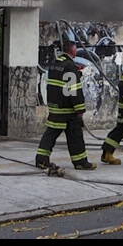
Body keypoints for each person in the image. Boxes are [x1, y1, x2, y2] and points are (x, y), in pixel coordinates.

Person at [36, 40, 97, 173]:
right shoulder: (70, 66)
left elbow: (61, 81)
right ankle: (80, 162)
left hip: (55, 106)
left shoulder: (55, 63)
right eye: (75, 48)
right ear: (72, 50)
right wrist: (80, 109)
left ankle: (41, 159)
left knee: (51, 134)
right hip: (67, 109)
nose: (76, 50)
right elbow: (73, 89)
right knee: (75, 136)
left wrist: (77, 73)